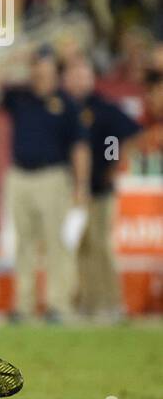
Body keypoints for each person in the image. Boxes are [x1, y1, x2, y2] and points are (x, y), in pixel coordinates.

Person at [0, 48, 91, 322]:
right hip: (20, 176)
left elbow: (80, 147)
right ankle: (23, 306)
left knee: (56, 243)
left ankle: (58, 305)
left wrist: (81, 184)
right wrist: (9, 60)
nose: (40, 73)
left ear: (55, 73)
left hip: (53, 177)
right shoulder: (20, 96)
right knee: (23, 242)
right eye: (37, 67)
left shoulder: (67, 103)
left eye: (46, 68)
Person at [64, 56, 142, 320]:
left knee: (101, 247)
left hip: (100, 190)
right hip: (72, 191)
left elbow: (129, 133)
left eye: (83, 76)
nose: (78, 81)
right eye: (74, 76)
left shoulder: (103, 108)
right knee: (79, 249)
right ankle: (86, 304)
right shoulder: (65, 107)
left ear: (92, 79)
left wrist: (115, 165)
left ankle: (111, 305)